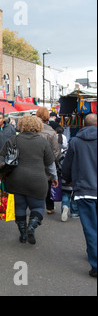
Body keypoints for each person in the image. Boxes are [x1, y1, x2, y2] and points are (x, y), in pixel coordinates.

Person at [0, 115, 58, 245]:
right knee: (37, 206)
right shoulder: (42, 141)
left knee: (19, 207)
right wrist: (54, 177)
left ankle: (23, 234)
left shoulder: (13, 139)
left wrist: (2, 173)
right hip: (37, 180)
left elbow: (2, 158)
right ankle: (31, 226)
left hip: (15, 180)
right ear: (38, 126)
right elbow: (50, 163)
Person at [62, 113, 97, 278]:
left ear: (83, 124)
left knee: (91, 229)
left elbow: (67, 165)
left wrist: (67, 180)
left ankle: (96, 264)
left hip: (84, 191)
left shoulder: (75, 142)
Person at [36, 107, 61, 214]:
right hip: (47, 162)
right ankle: (49, 207)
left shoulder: (32, 130)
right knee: (49, 183)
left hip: (34, 162)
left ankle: (36, 206)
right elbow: (56, 150)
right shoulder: (51, 132)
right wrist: (52, 161)